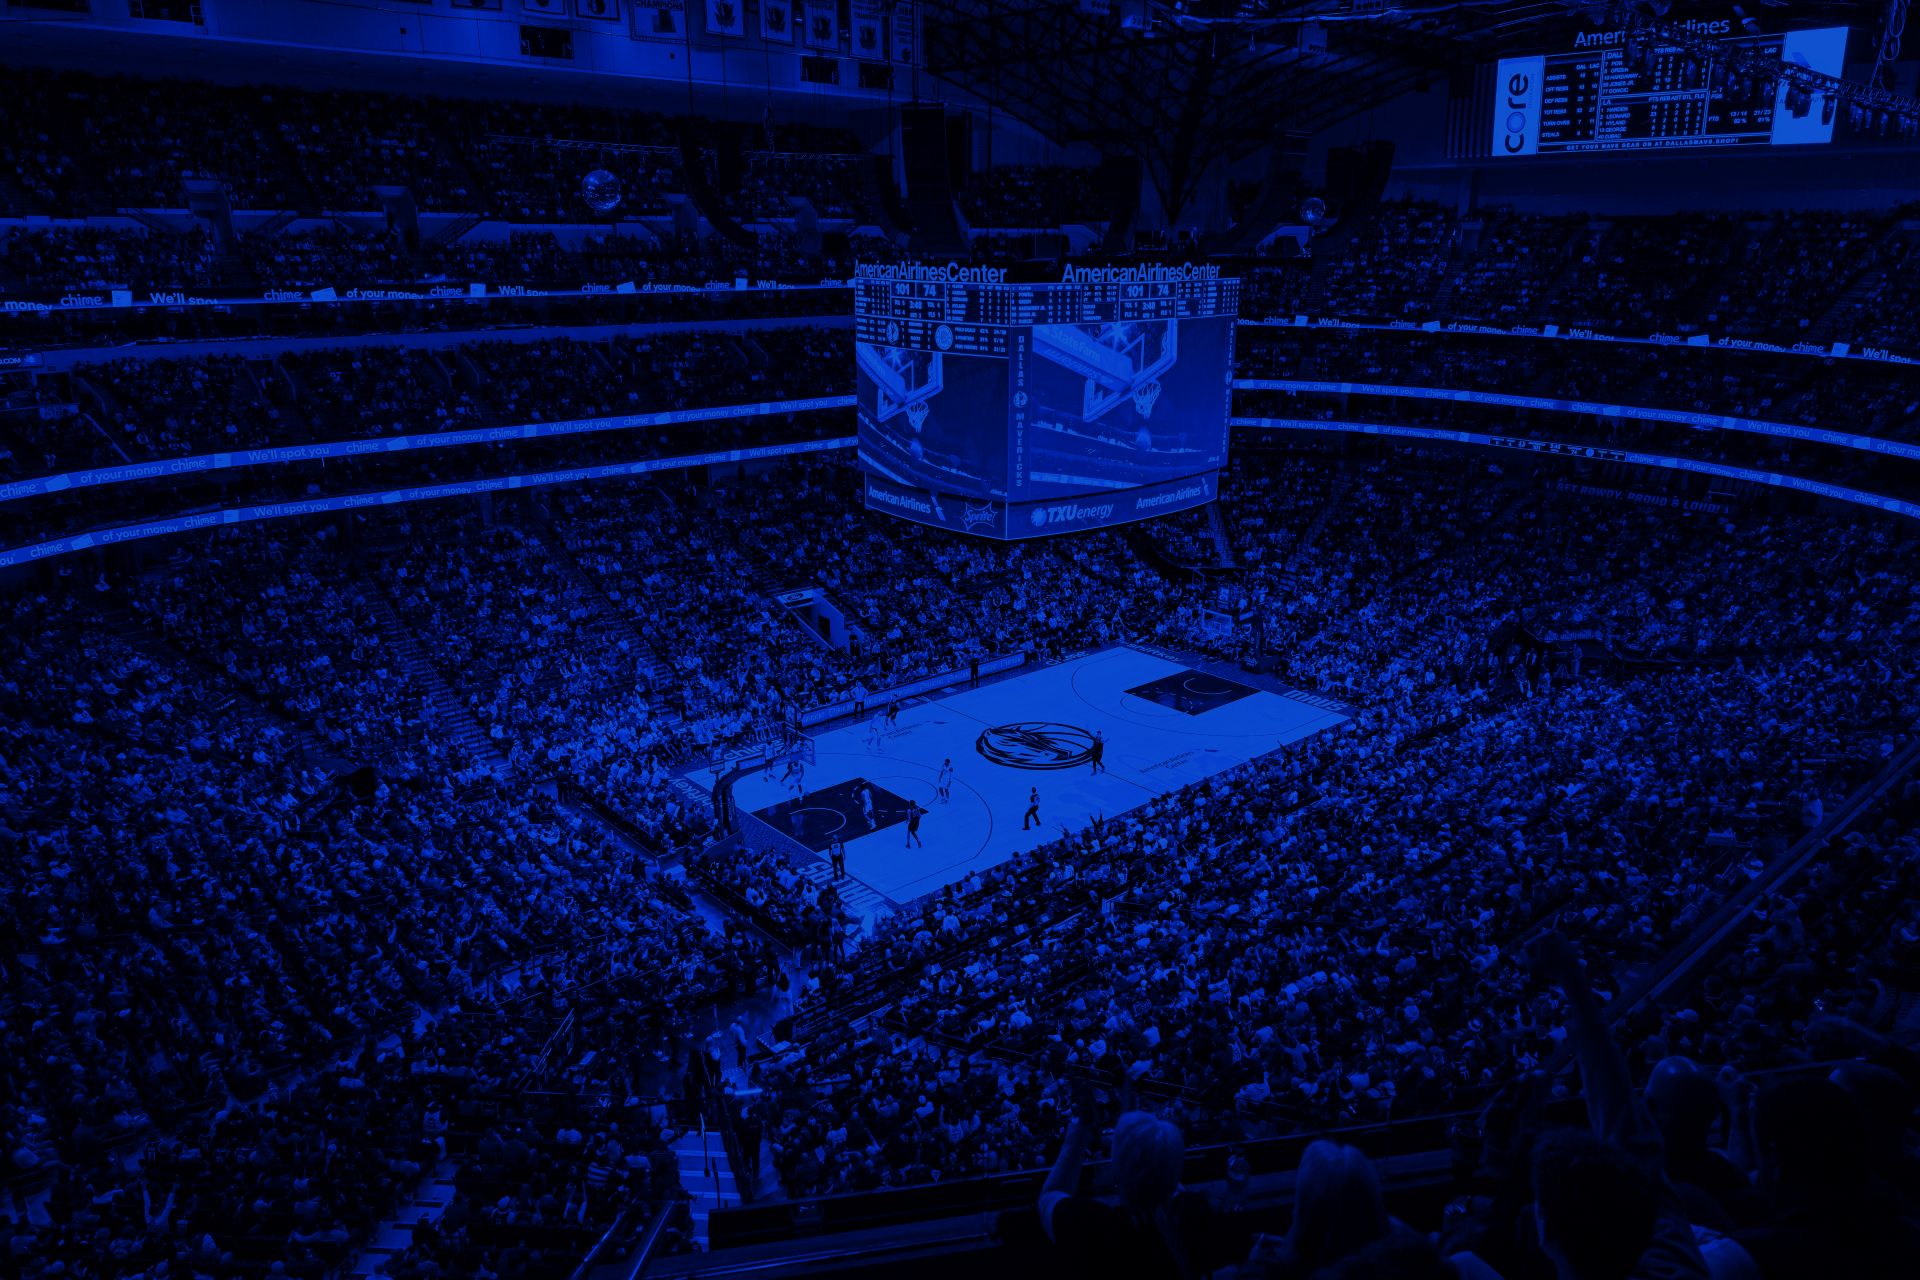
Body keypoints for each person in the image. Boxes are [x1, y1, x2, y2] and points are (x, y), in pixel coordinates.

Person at [1038, 1100, 1237, 1278]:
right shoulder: (1195, 1217)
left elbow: (1049, 1197)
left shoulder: (1098, 1226)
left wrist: (1079, 1132)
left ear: (1116, 1170)